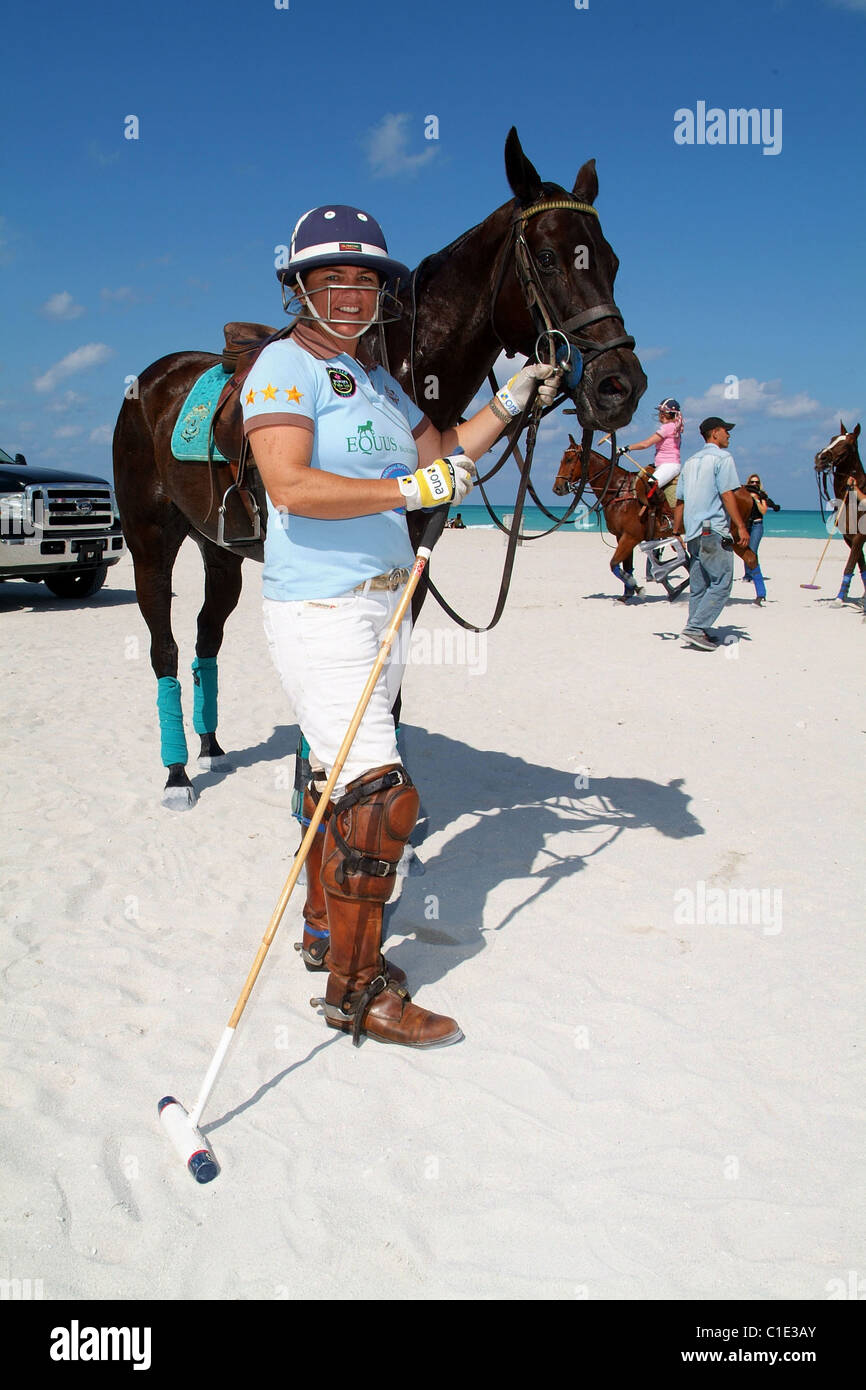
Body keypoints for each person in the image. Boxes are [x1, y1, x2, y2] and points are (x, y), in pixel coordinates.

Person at [241, 205, 560, 1048]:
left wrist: (513, 399)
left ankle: (322, 929)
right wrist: (405, 494)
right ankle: (359, 991)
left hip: (385, 605)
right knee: (383, 800)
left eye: (366, 279)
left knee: (338, 784)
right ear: (301, 286)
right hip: (321, 606)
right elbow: (292, 486)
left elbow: (446, 450)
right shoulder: (283, 367)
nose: (351, 293)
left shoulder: (380, 384)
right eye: (333, 277)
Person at [673, 416, 751, 650]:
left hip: (694, 533)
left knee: (700, 586)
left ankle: (698, 630)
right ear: (714, 433)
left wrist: (677, 530)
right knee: (722, 582)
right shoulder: (722, 458)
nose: (729, 435)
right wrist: (741, 526)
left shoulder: (690, 462)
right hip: (713, 529)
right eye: (726, 431)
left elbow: (680, 501)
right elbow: (727, 494)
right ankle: (695, 628)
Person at [619, 398, 684, 516]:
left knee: (650, 484)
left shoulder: (667, 427)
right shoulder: (673, 426)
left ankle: (665, 516)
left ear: (665, 414)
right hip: (663, 464)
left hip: (669, 465)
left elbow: (646, 444)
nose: (659, 414)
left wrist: (627, 448)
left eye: (661, 412)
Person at [740, 473, 780, 603]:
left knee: (753, 550)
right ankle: (747, 574)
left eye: (756, 482)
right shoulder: (744, 492)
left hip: (757, 525)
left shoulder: (762, 494)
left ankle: (752, 574)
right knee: (745, 548)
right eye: (752, 482)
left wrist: (756, 498)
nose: (754, 484)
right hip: (747, 525)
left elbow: (763, 510)